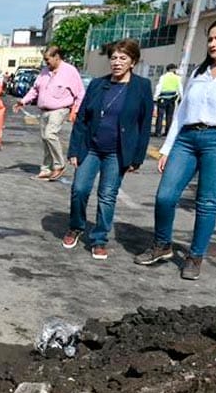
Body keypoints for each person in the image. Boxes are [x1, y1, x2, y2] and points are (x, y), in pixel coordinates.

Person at [134, 17, 216, 280]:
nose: (213, 44)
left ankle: (195, 255)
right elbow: (182, 112)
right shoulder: (199, 71)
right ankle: (162, 245)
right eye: (210, 39)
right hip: (188, 138)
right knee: (165, 196)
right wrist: (168, 147)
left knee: (206, 202)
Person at [61, 39, 153, 260]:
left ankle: (100, 238)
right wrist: (74, 150)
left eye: (123, 58)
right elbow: (82, 118)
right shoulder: (97, 85)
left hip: (117, 152)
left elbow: (145, 124)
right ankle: (76, 226)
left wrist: (137, 157)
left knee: (107, 196)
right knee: (79, 189)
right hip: (90, 148)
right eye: (113, 58)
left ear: (133, 61)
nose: (117, 62)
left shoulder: (141, 87)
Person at [12, 46, 85, 181]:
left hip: (60, 109)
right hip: (44, 111)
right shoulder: (44, 72)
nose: (46, 63)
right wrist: (23, 101)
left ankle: (59, 165)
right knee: (45, 140)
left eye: (48, 59)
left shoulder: (70, 71)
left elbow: (80, 93)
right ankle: (46, 169)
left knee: (50, 134)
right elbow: (35, 90)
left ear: (57, 57)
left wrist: (76, 110)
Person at [153, 63, 182, 137]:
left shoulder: (163, 77)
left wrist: (155, 97)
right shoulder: (177, 78)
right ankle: (167, 132)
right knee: (169, 116)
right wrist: (181, 97)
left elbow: (159, 87)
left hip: (162, 98)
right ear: (173, 69)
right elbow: (180, 88)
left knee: (160, 116)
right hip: (172, 99)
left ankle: (158, 132)